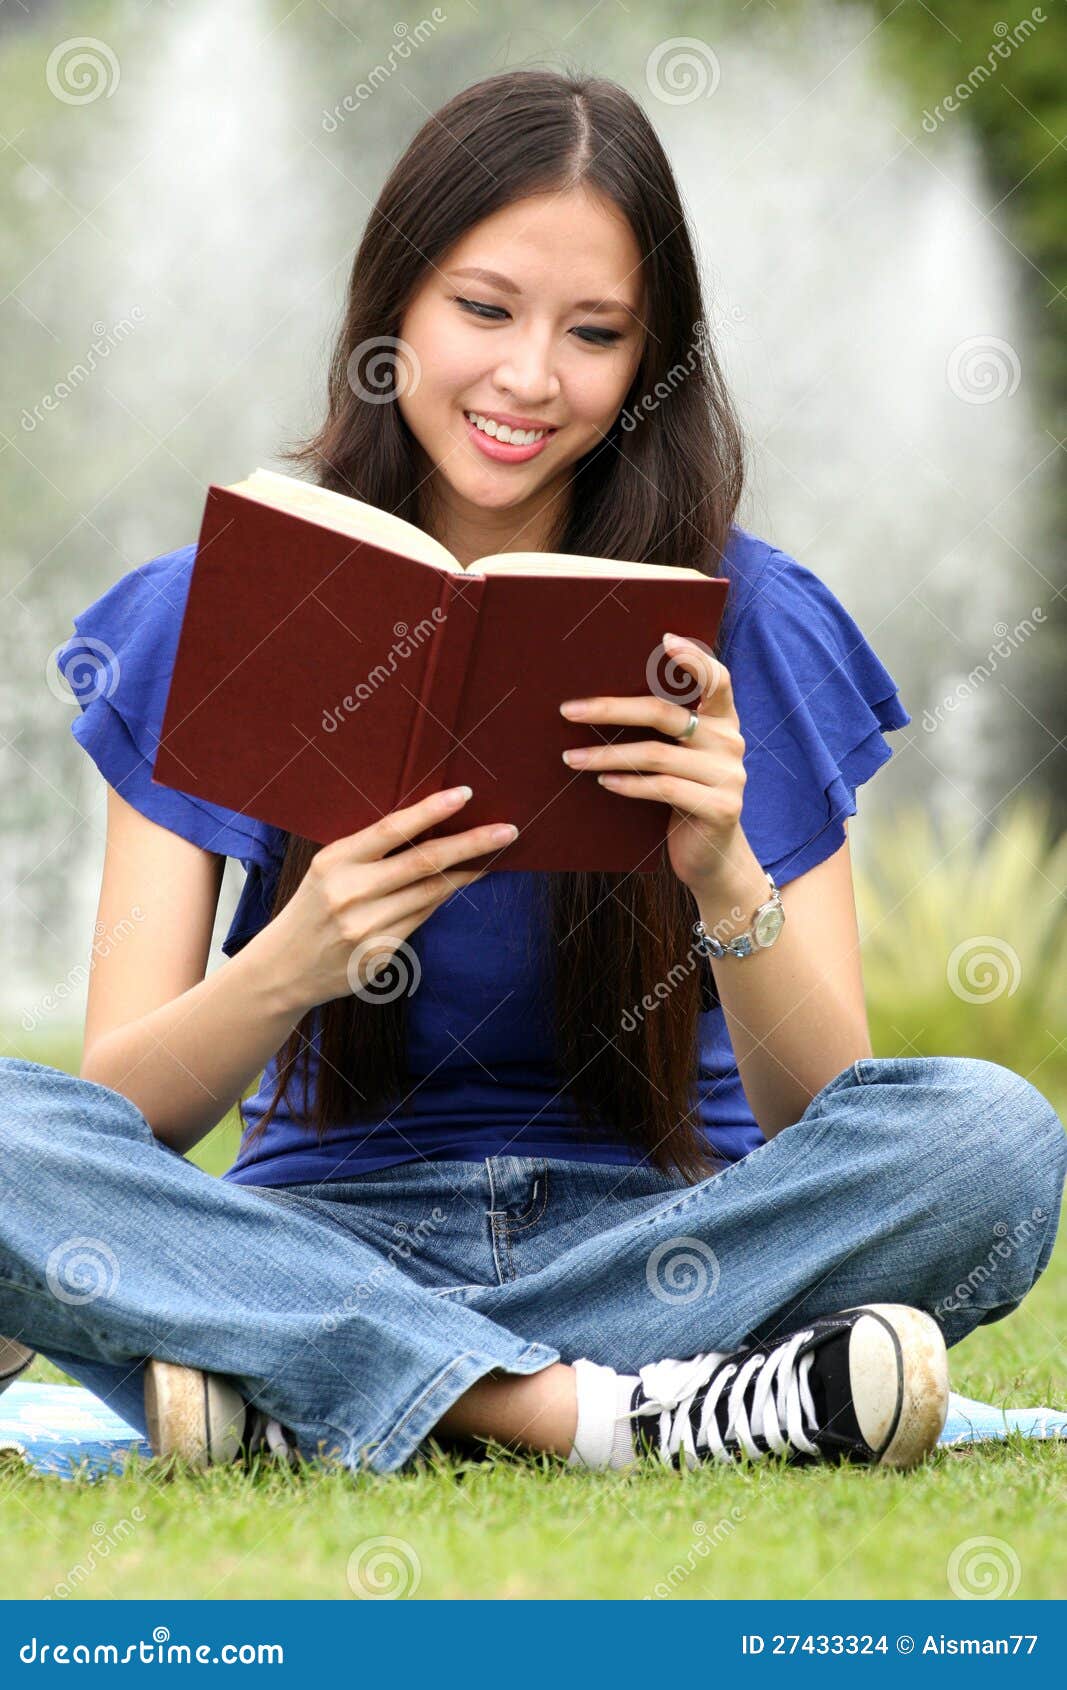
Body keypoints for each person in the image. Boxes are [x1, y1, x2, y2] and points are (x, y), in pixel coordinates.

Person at [2, 68, 1064, 1479]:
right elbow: (124, 1110)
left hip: (669, 1242)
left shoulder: (752, 621)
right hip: (323, 1233)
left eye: (596, 333)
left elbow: (827, 1117)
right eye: (484, 309)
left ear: (653, 359)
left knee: (992, 1138)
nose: (528, 379)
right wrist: (295, 962)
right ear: (393, 307)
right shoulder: (216, 608)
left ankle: (313, 1387)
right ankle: (613, 1414)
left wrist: (725, 877)